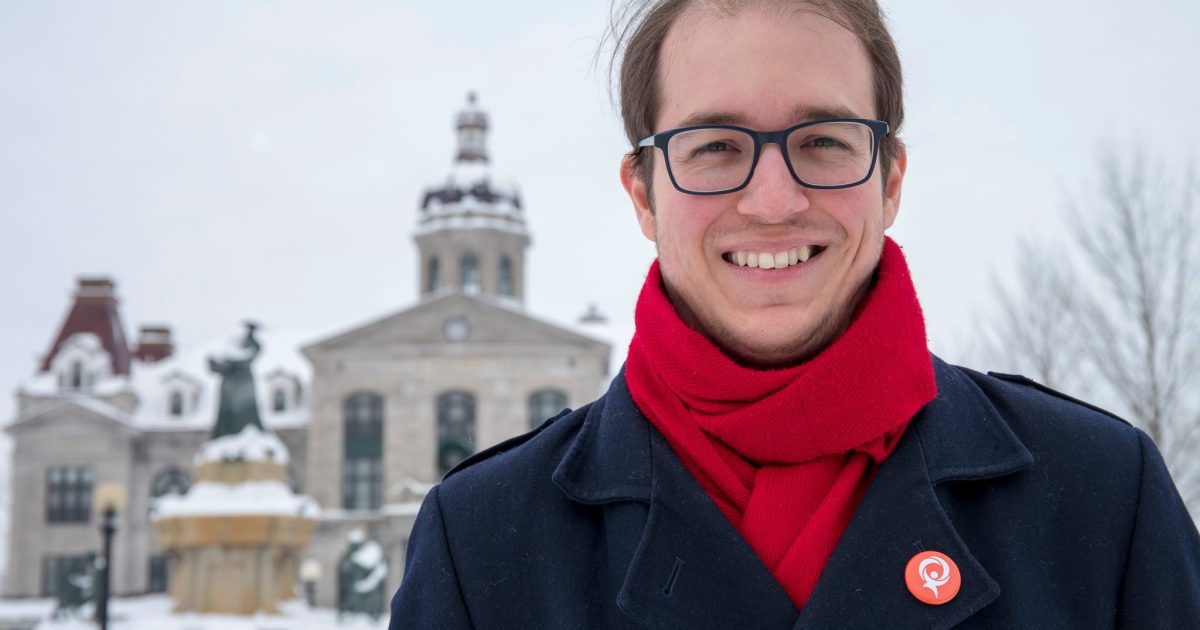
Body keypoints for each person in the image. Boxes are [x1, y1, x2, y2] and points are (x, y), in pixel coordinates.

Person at [391, 1, 1200, 627]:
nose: (773, 200)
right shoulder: (482, 539)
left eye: (823, 140)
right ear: (644, 194)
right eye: (714, 145)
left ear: (889, 181)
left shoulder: (1101, 497)